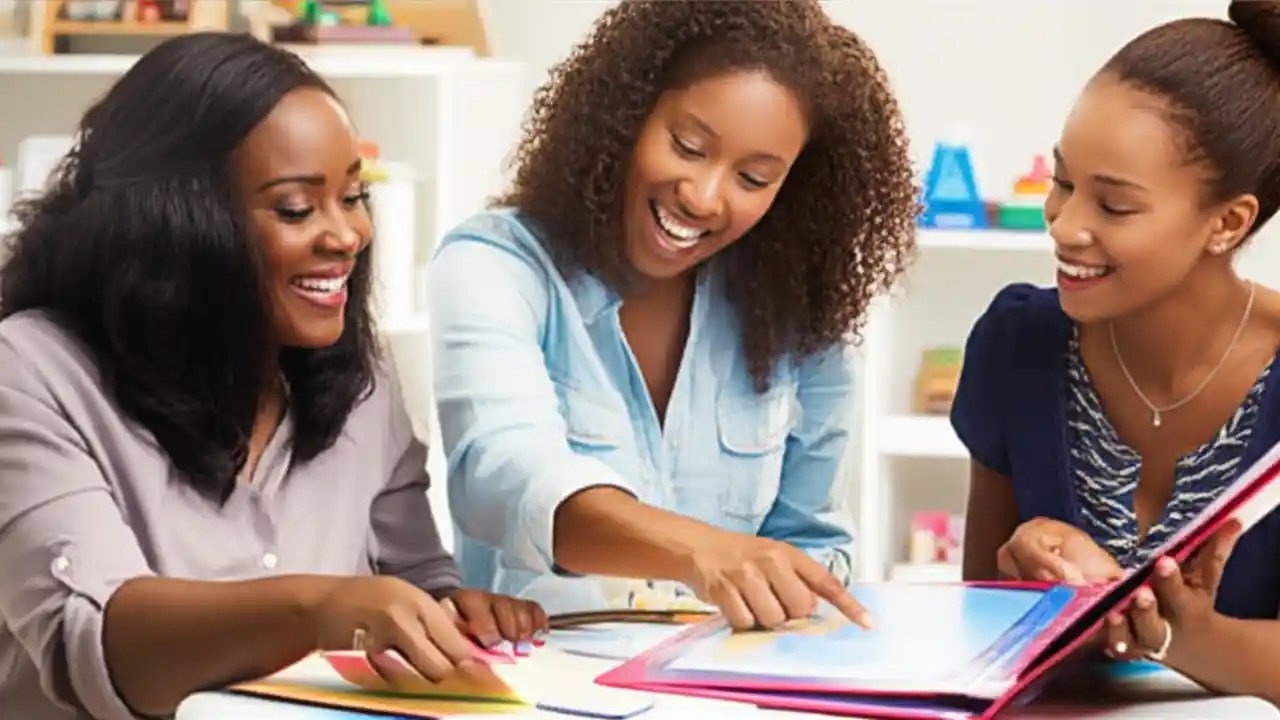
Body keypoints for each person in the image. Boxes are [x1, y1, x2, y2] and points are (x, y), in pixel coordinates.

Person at [0, 33, 545, 720]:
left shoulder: (361, 379)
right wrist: (317, 609)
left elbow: (411, 578)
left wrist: (451, 613)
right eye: (296, 208)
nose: (347, 235)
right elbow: (98, 646)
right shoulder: (29, 370)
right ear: (174, 221)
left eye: (353, 196)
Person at [430, 0, 917, 629]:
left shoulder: (799, 312)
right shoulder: (497, 266)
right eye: (688, 147)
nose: (704, 196)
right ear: (627, 115)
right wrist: (702, 554)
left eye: (753, 177)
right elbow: (507, 476)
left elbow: (810, 539)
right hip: (548, 682)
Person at [953, 0, 1280, 703]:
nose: (1065, 227)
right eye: (1063, 184)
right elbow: (978, 633)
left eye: (1114, 206)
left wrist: (1174, 631)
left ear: (1227, 223)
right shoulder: (1019, 344)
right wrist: (1024, 577)